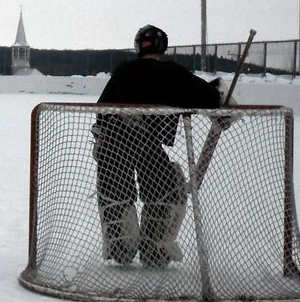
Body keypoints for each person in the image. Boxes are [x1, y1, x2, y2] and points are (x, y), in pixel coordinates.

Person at [92, 24, 222, 268]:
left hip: (114, 145)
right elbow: (211, 97)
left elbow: (102, 111)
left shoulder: (124, 71)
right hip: (148, 147)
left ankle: (121, 246)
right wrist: (220, 98)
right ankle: (155, 248)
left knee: (114, 192)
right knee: (167, 191)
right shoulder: (173, 73)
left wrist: (101, 141)